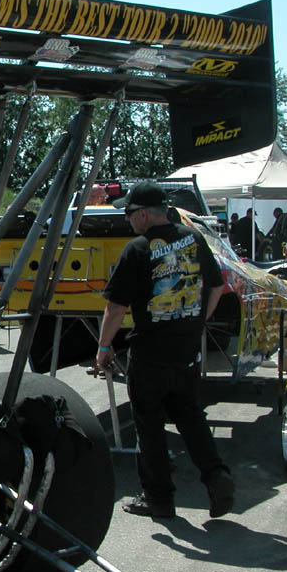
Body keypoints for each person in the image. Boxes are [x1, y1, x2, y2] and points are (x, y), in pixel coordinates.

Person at [94, 181, 234, 520]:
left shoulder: (137, 250)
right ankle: (216, 476)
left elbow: (116, 309)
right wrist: (196, 321)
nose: (128, 221)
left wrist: (103, 348)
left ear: (143, 214)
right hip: (186, 350)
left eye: (129, 214)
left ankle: (158, 499)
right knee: (189, 416)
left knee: (150, 426)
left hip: (150, 354)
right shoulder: (195, 238)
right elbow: (217, 288)